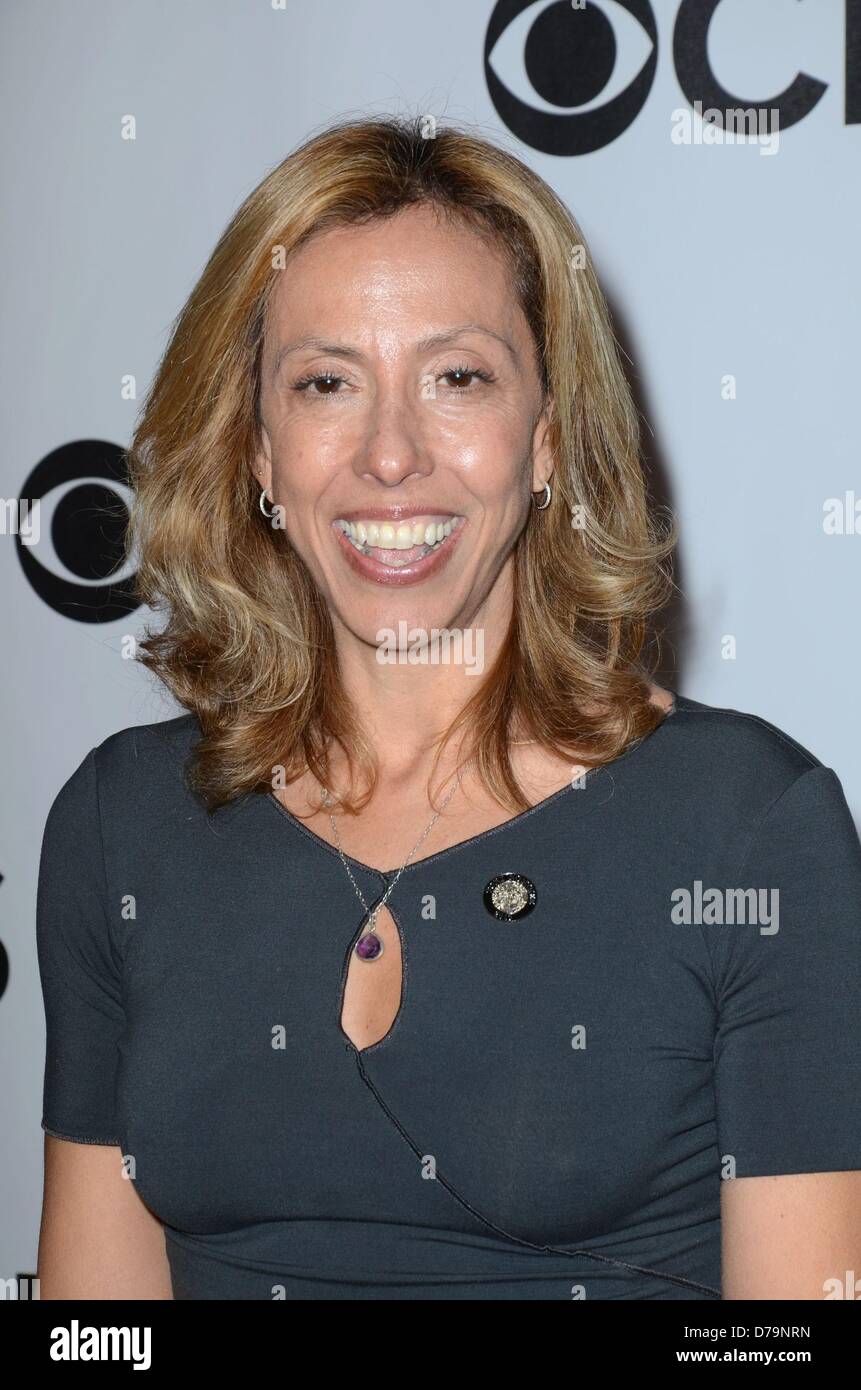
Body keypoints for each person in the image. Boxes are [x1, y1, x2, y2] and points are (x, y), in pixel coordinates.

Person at [35, 115, 861, 1300]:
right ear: (259, 451)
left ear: (547, 438)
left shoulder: (749, 826)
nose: (389, 454)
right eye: (326, 383)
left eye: (457, 377)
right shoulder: (121, 823)